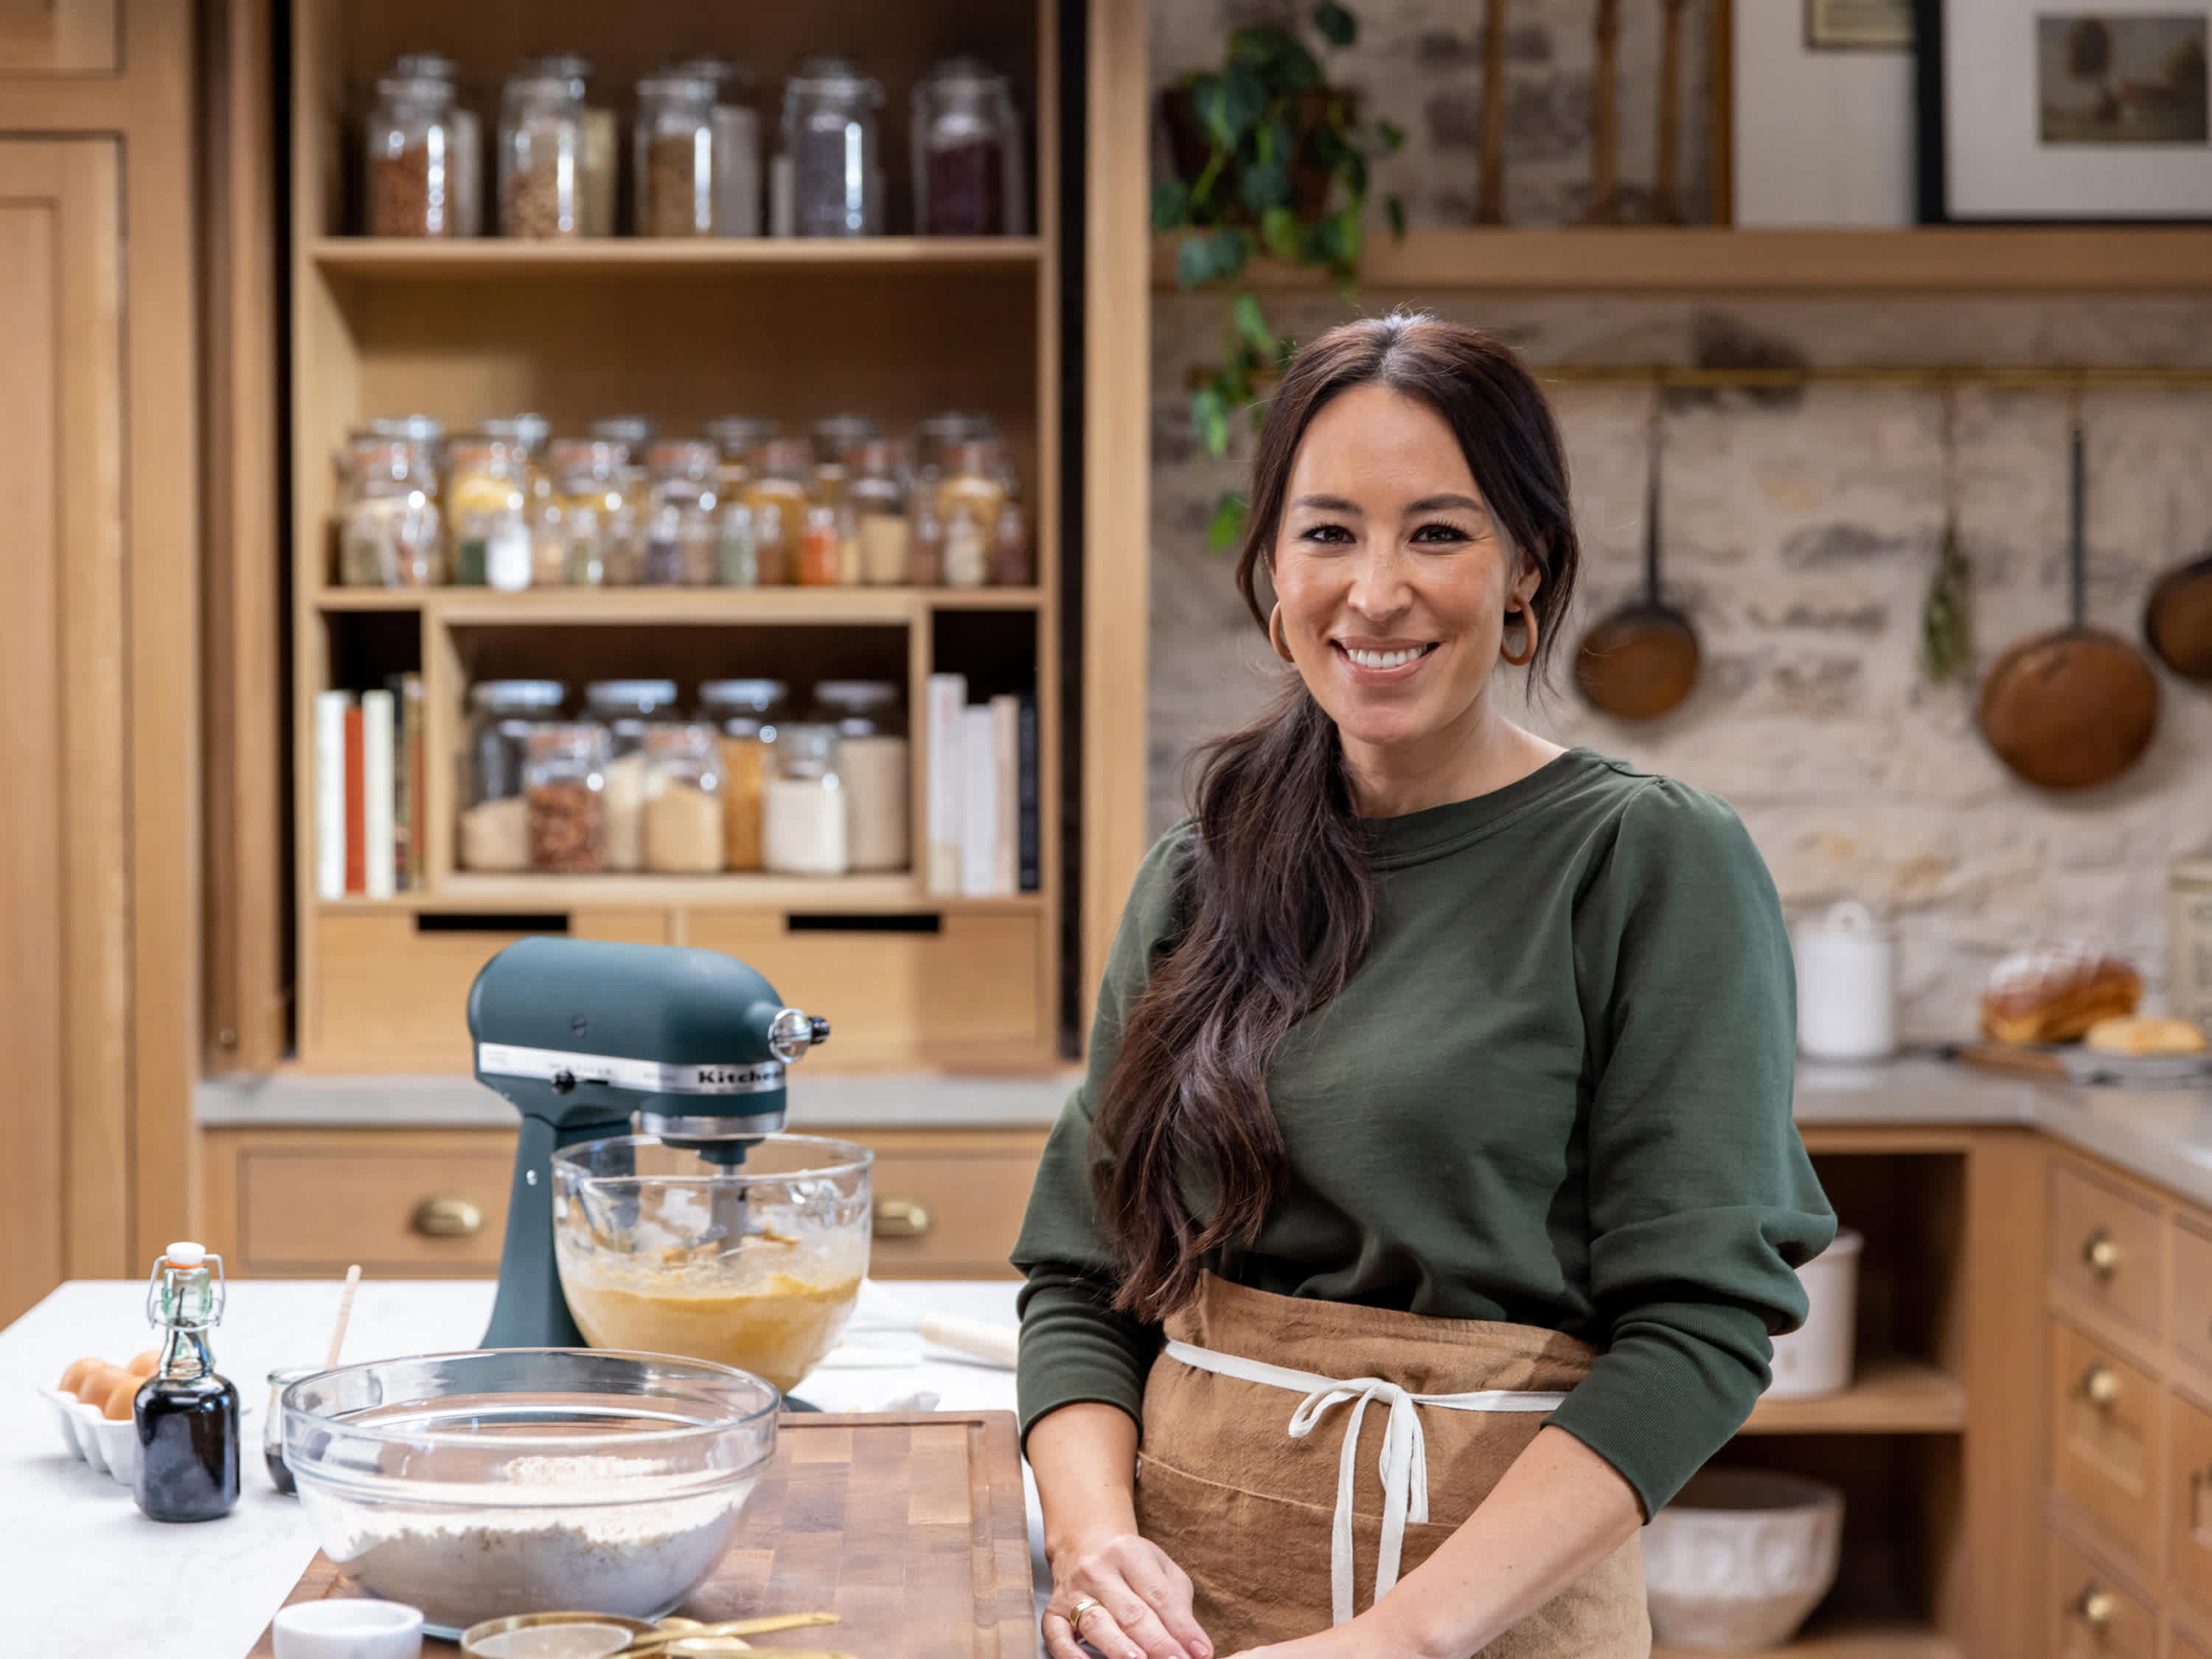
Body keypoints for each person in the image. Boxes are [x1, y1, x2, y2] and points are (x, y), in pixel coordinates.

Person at [1013, 313, 1834, 1659]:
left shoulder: (1648, 856)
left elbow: (1701, 1325)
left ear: (1527, 572)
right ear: (1273, 577)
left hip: (1489, 1619)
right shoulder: (1198, 874)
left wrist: (1404, 1638)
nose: (1376, 590)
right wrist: (1101, 1549)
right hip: (1181, 1615)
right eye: (1329, 532)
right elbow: (1080, 1276)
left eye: (1438, 533)